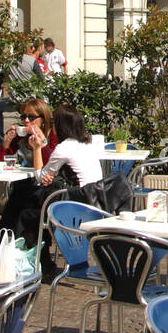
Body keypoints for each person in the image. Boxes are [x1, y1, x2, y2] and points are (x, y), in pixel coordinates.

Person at [32, 105, 102, 276]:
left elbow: (40, 177)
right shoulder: (87, 145)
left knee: (30, 211)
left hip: (76, 205)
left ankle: (39, 260)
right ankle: (43, 260)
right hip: (97, 202)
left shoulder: (64, 148)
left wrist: (37, 149)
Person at [0, 98, 58, 242]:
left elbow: (51, 163)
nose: (26, 121)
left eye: (31, 117)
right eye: (24, 117)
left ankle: (11, 244)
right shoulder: (22, 136)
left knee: (23, 203)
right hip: (28, 183)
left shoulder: (52, 134)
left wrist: (41, 142)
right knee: (16, 197)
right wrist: (7, 141)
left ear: (43, 119)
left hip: (49, 185)